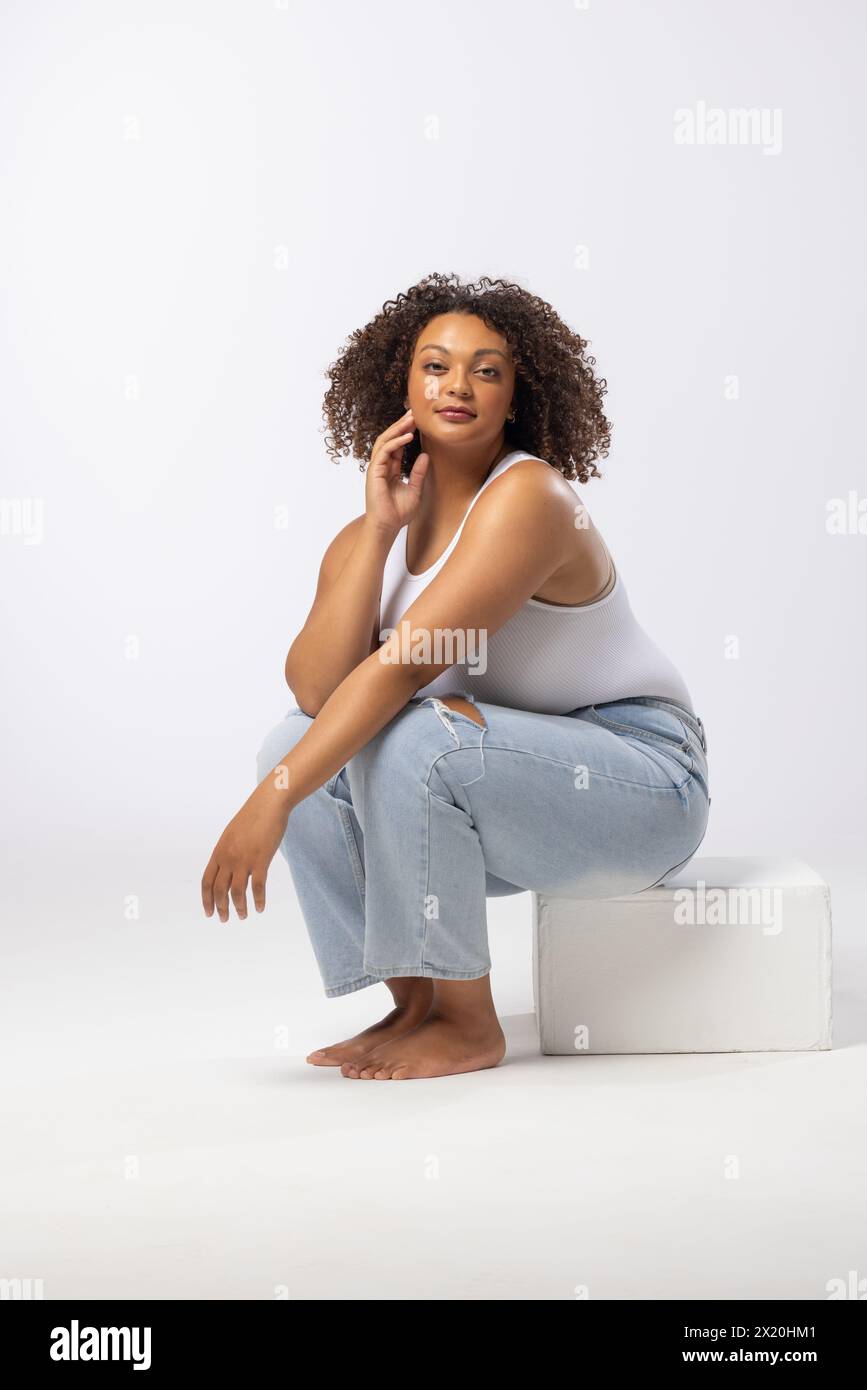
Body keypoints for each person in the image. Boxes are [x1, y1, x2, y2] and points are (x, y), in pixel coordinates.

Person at [201, 272, 710, 1082]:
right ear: (400, 383)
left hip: (640, 785)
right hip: (501, 792)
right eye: (435, 366)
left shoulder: (530, 498)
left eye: (487, 369)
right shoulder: (371, 529)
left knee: (408, 738)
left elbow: (402, 671)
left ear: (517, 394)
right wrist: (374, 537)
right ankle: (417, 1006)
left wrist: (271, 803)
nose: (458, 386)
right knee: (291, 743)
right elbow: (316, 695)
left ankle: (468, 1025)